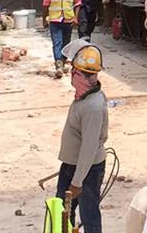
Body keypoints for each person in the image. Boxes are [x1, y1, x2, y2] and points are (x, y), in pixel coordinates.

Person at [55, 39, 109, 233]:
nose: (71, 75)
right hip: (72, 165)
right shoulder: (84, 97)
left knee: (89, 216)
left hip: (87, 170)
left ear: (81, 75)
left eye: (74, 71)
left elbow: (89, 148)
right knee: (61, 213)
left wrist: (77, 182)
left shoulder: (92, 107)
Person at [43, 0, 82, 78]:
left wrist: (76, 17)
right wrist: (44, 19)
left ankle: (64, 61)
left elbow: (78, 2)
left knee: (66, 43)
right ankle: (58, 65)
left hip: (68, 19)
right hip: (55, 19)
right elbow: (46, 3)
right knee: (57, 42)